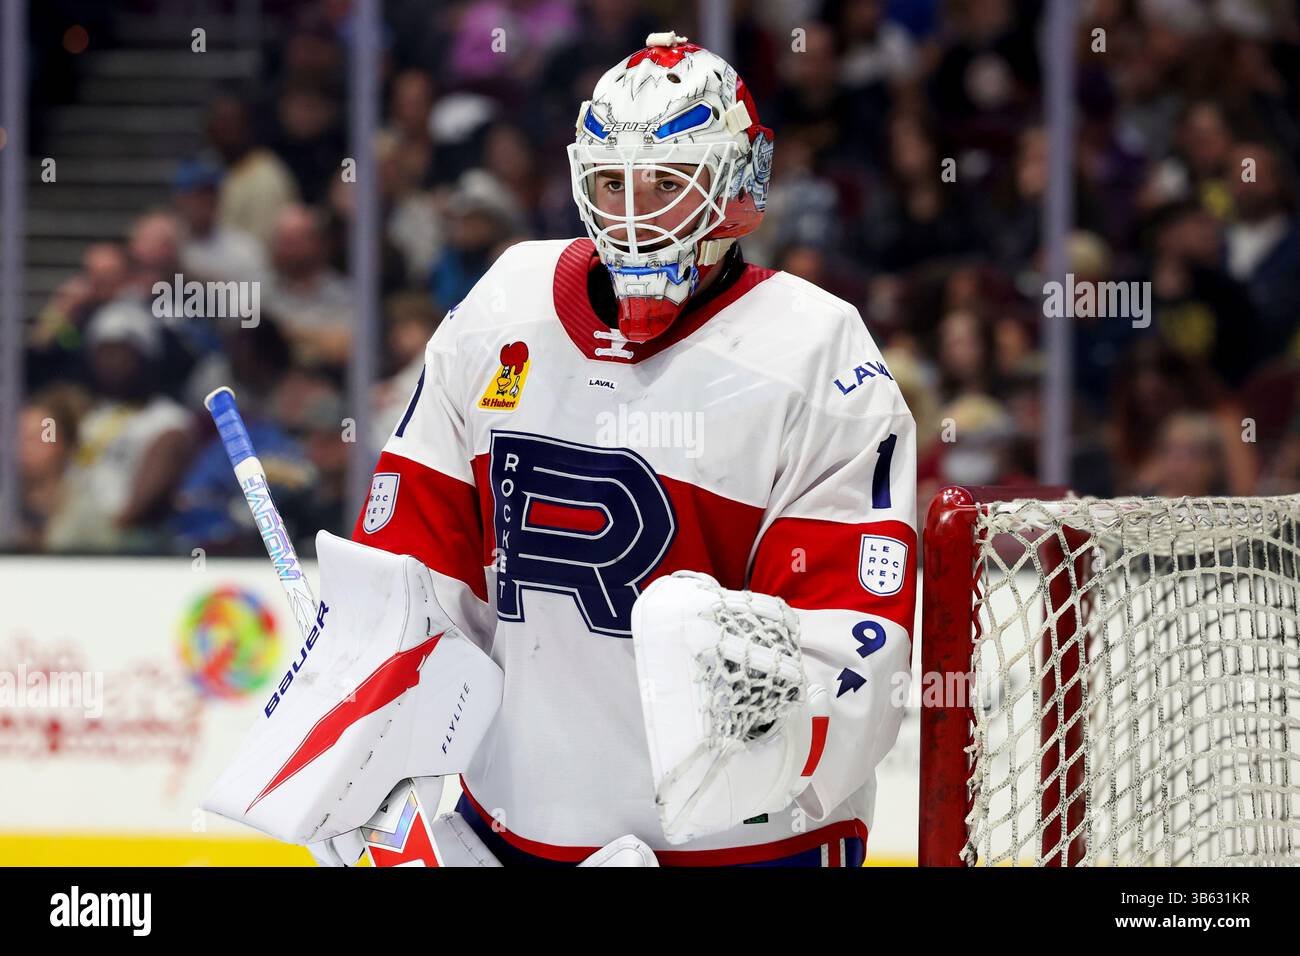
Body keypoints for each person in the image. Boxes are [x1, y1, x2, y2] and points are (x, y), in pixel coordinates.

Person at [244, 33, 917, 868]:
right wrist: (373, 754)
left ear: (737, 187)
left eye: (667, 185)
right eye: (611, 184)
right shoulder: (504, 308)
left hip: (738, 851)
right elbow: (416, 564)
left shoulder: (817, 354)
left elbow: (853, 645)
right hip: (511, 829)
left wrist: (733, 773)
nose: (634, 215)